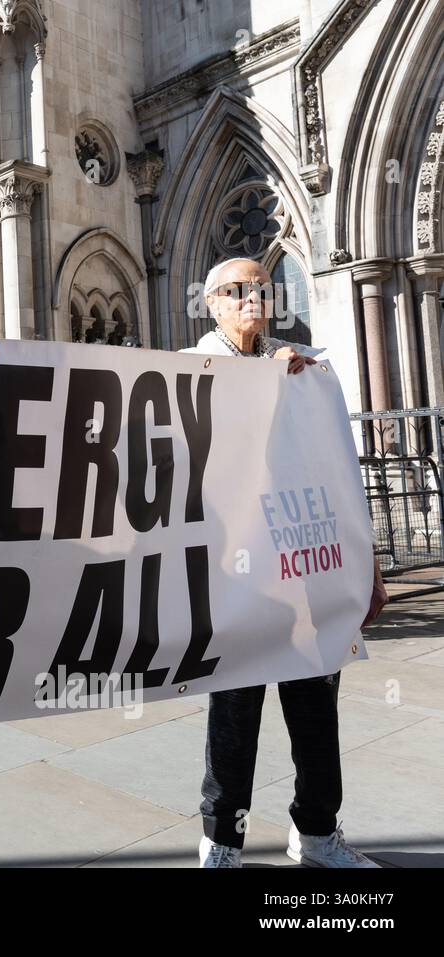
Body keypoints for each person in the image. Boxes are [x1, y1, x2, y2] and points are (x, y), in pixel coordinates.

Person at [184, 257, 387, 868]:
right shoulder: (194, 367)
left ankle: (318, 834)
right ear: (212, 302)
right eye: (236, 290)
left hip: (306, 566)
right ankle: (222, 841)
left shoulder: (305, 368)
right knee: (235, 713)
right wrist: (264, 383)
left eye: (261, 288)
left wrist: (366, 563)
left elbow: (336, 471)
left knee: (315, 707)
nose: (252, 298)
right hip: (237, 574)